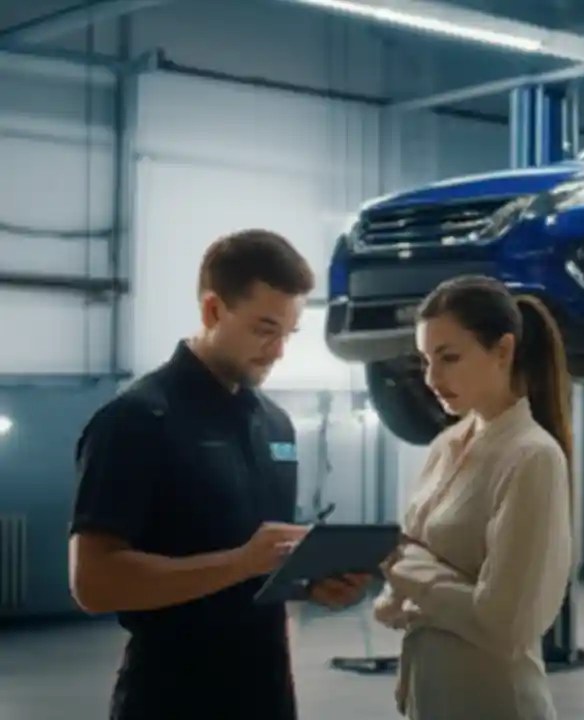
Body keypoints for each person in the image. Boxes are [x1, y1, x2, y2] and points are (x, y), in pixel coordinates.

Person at [68, 229, 373, 720]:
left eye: (288, 334)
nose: (278, 351)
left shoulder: (275, 423)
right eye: (264, 329)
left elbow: (256, 566)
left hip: (268, 695)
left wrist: (307, 581)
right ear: (213, 310)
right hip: (172, 700)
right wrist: (242, 562)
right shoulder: (136, 419)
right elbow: (94, 582)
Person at [373, 275, 574, 719]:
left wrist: (409, 571)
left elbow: (505, 625)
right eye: (425, 360)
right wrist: (405, 588)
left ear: (503, 351)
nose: (431, 378)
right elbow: (398, 590)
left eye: (449, 358)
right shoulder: (445, 445)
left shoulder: (532, 457)